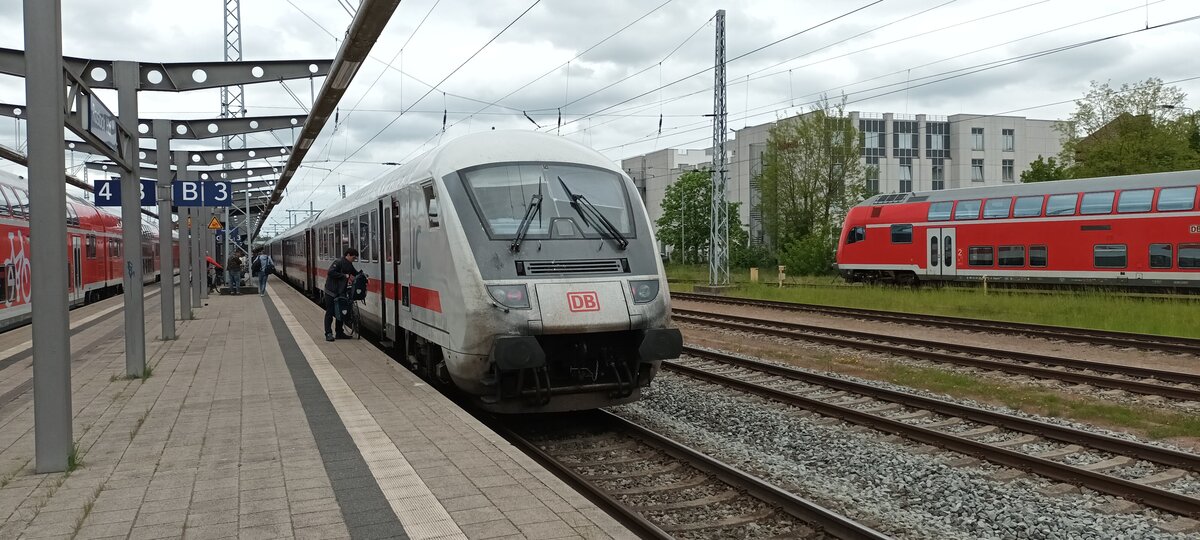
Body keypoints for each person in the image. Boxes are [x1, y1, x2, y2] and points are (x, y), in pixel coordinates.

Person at [324, 247, 359, 341]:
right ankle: (328, 333)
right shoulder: (338, 262)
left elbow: (355, 273)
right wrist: (343, 276)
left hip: (341, 292)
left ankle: (339, 332)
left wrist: (363, 276)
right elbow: (330, 272)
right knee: (330, 313)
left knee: (341, 312)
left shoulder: (349, 264)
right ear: (348, 255)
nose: (354, 260)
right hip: (331, 291)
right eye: (353, 257)